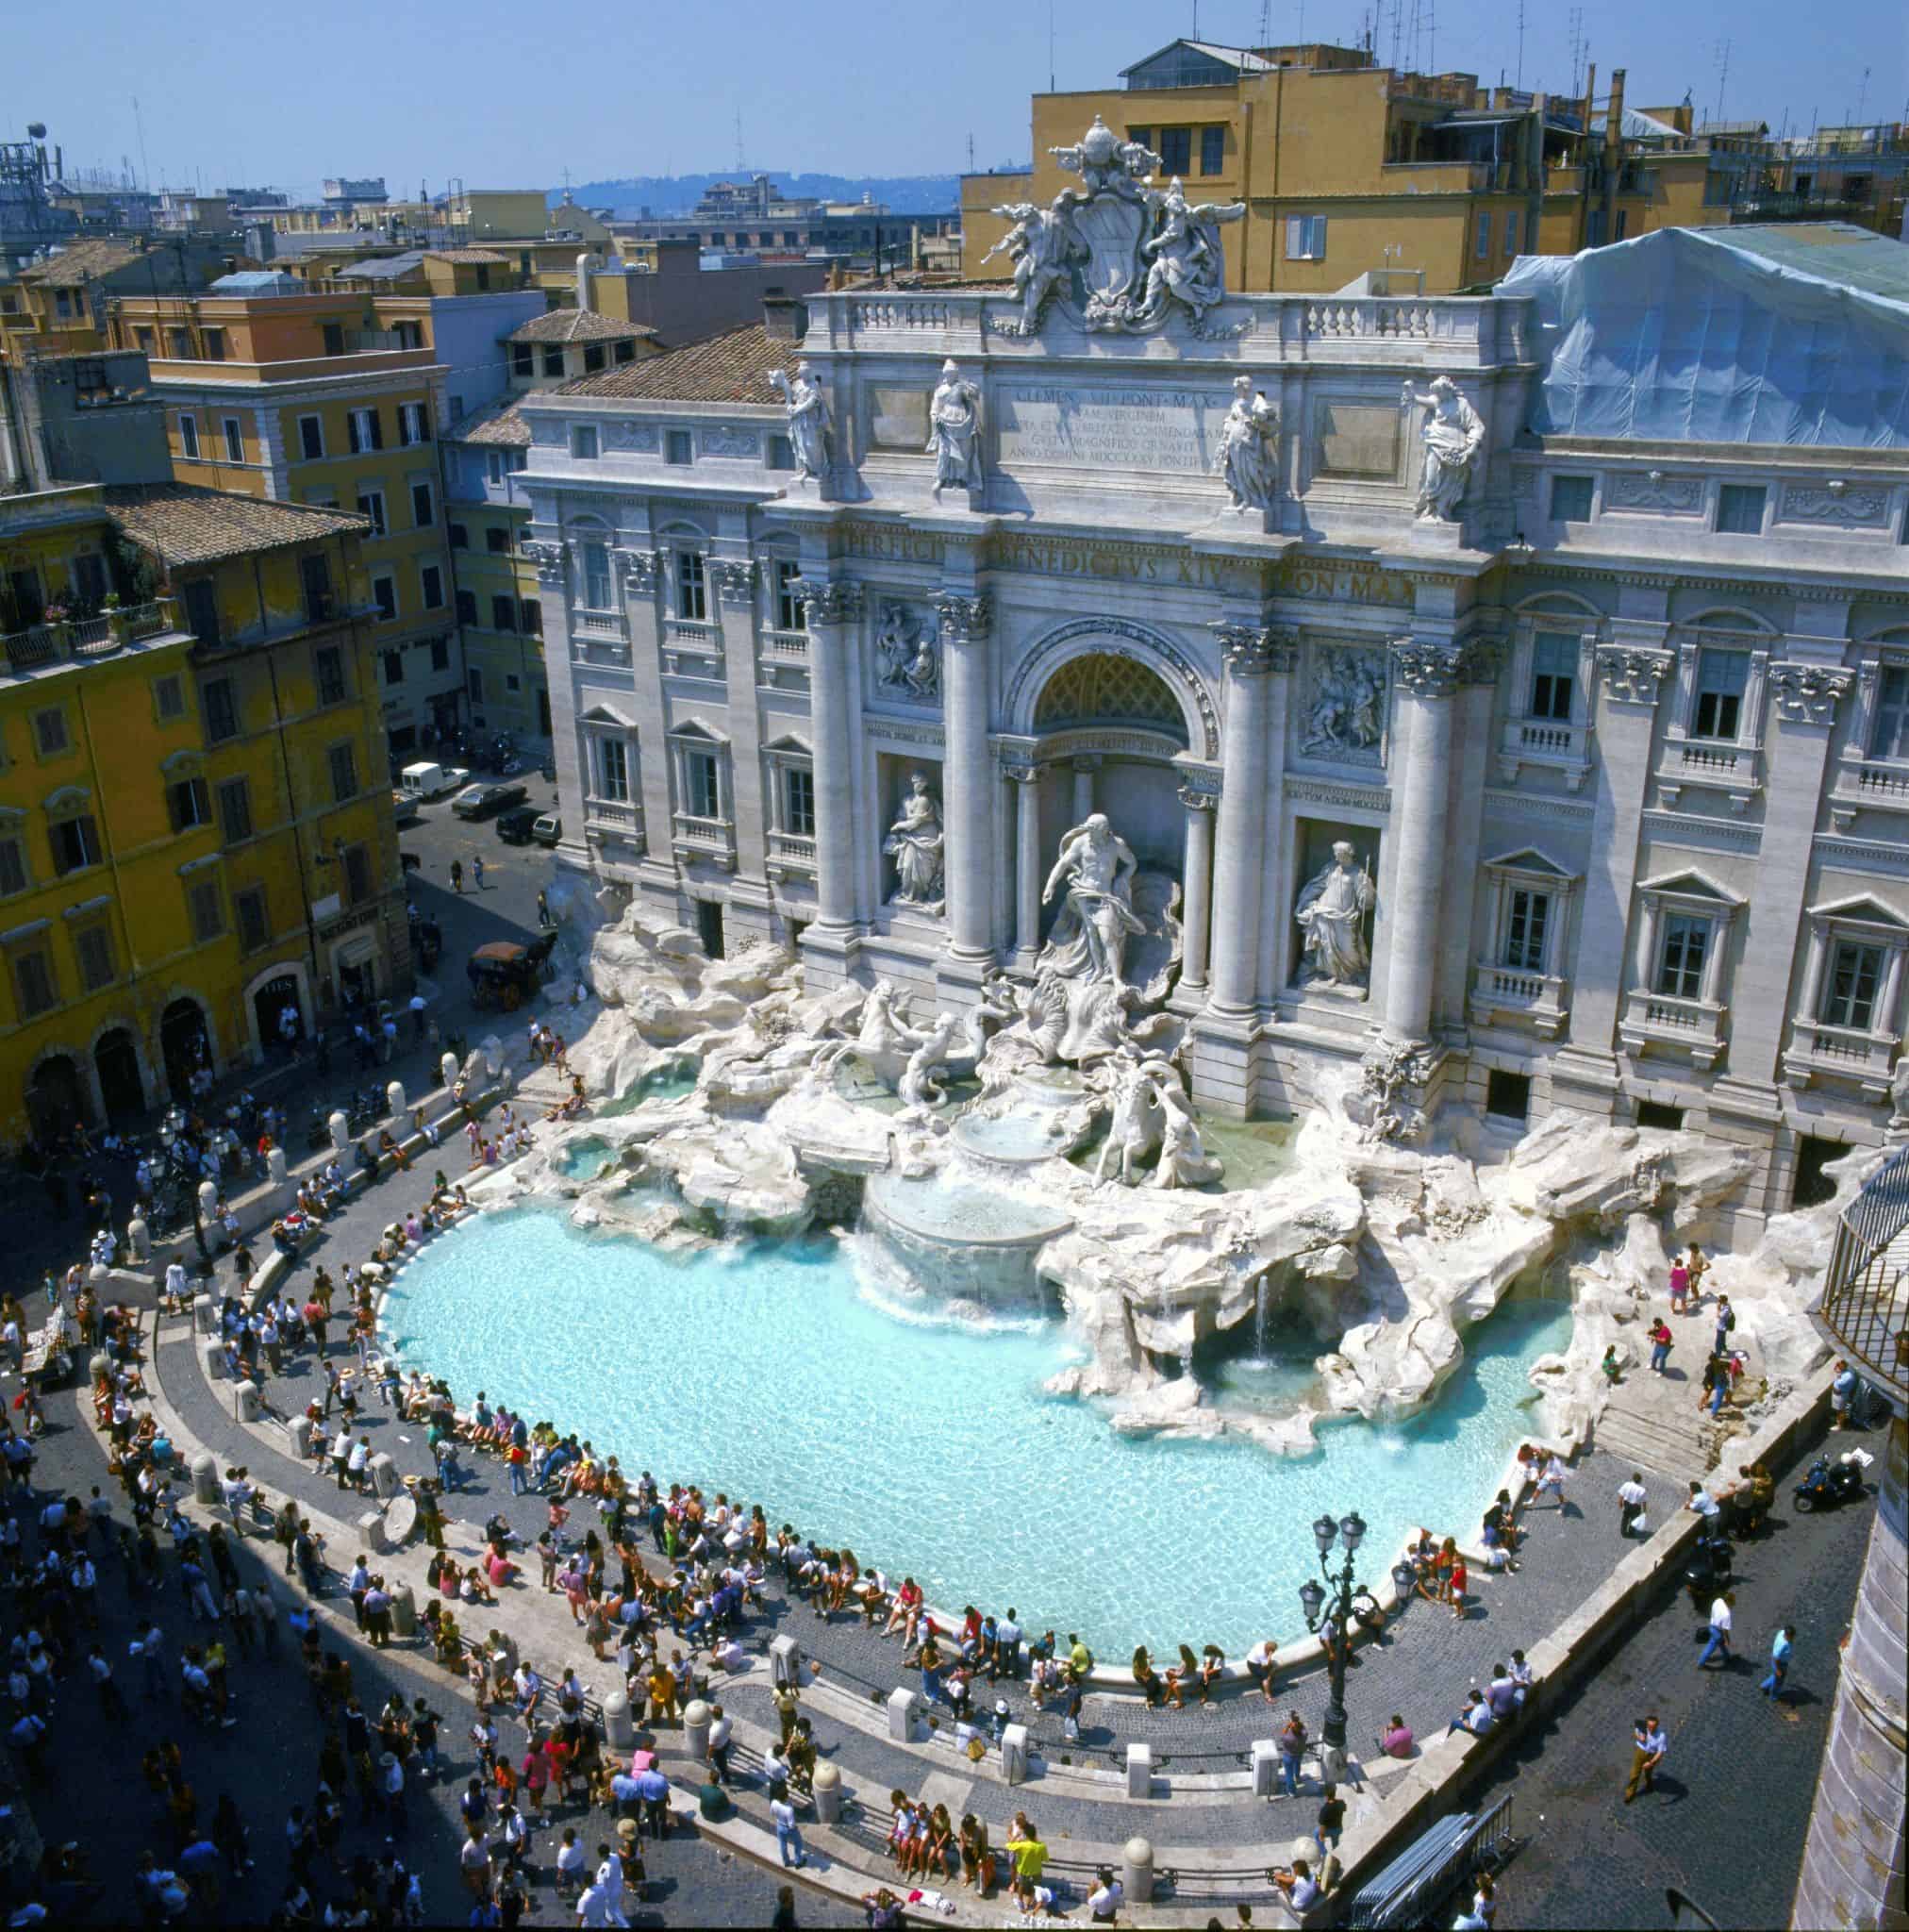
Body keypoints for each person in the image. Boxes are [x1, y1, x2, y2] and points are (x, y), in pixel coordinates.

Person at [1623, 1714, 1668, 1803]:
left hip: (1651, 1755)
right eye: (1649, 1726)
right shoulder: (1642, 1726)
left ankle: (1649, 1785)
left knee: (1648, 1773)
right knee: (1634, 1774)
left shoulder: (1661, 1736)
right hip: (1640, 1752)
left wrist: (1651, 1762)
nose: (1651, 1729)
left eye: (1654, 1727)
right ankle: (1630, 1794)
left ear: (1657, 1725)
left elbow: (1660, 1752)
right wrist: (1639, 1737)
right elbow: (1636, 1730)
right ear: (1646, 1724)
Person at [1697, 1591, 1735, 1669]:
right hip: (1718, 1632)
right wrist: (1728, 1641)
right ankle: (1701, 1663)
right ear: (1729, 1602)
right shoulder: (1726, 1614)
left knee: (1722, 1644)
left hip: (1712, 1625)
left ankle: (1727, 1657)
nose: (1733, 1605)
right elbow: (1725, 1631)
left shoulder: (1718, 1601)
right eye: (1732, 1603)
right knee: (1710, 1648)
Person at [1762, 1624, 1796, 1703]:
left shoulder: (1781, 1632)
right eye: (1792, 1637)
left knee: (1775, 1676)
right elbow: (1775, 1658)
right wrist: (1777, 1669)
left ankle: (1764, 1686)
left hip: (1778, 1662)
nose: (1793, 1639)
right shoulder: (1784, 1644)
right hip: (1780, 1664)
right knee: (1778, 1681)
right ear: (1788, 1636)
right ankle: (1773, 1696)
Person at [1618, 1471, 1649, 1540]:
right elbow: (1644, 1502)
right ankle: (1631, 1532)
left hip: (1627, 1504)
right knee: (1634, 1520)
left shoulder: (1626, 1484)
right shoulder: (1642, 1490)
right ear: (1640, 1480)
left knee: (1625, 1518)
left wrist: (1620, 1505)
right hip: (1636, 1507)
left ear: (1633, 1478)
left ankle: (1623, 1533)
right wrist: (1644, 1512)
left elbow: (1621, 1496)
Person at [1831, 1357, 1858, 1430]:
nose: (1837, 1366)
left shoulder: (1848, 1376)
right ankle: (1839, 1420)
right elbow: (1836, 1370)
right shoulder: (1844, 1371)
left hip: (1841, 1395)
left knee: (1841, 1410)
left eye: (1839, 1365)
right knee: (1838, 1409)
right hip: (1837, 1394)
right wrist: (1838, 1369)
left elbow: (1840, 1383)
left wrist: (1839, 1374)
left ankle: (1840, 1426)